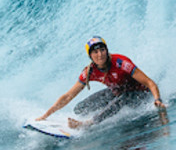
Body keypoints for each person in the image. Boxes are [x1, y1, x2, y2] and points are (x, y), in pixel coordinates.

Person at [35, 36, 166, 129]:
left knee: (123, 98)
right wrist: (46, 115)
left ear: (107, 50)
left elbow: (149, 82)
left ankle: (88, 124)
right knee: (80, 108)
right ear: (90, 56)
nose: (100, 54)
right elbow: (68, 96)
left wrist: (158, 99)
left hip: (140, 94)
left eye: (102, 50)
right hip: (117, 92)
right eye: (95, 52)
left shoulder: (120, 63)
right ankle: (87, 118)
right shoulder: (90, 72)